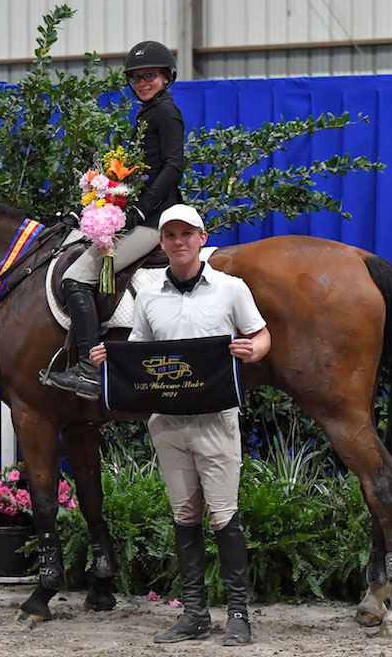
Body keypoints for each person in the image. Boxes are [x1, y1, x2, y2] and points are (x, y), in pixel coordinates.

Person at [91, 204, 270, 646]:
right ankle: (193, 614)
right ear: (163, 242)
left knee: (224, 516)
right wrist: (109, 361)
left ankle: (238, 615)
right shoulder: (148, 297)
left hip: (216, 420)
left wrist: (255, 351)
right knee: (185, 516)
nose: (178, 241)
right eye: (170, 235)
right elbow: (138, 354)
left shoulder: (232, 289)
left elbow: (261, 333)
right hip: (168, 423)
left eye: (186, 233)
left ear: (201, 237)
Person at [45, 40, 186, 397]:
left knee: (77, 278)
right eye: (137, 78)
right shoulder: (146, 114)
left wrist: (141, 210)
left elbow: (173, 167)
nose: (143, 83)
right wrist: (89, 207)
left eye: (150, 76)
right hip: (142, 214)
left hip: (156, 221)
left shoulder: (165, 113)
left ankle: (89, 371)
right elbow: (131, 177)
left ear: (166, 78)